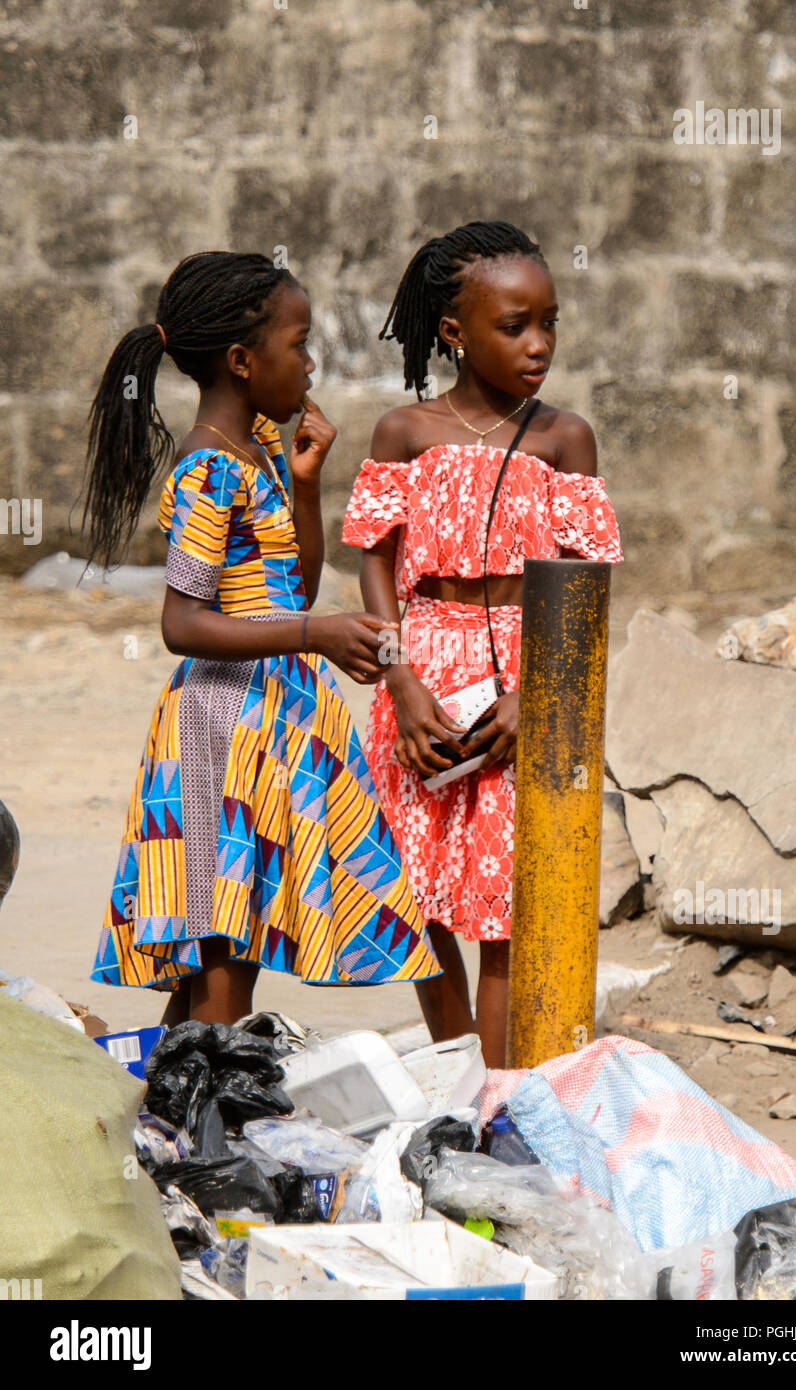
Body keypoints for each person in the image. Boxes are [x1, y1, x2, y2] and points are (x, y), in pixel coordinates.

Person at [82, 250, 440, 1025]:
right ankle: (195, 1130)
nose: (311, 366)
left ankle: (170, 1122)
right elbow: (182, 622)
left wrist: (307, 486)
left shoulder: (262, 453)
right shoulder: (207, 470)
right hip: (219, 731)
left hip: (269, 723)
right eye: (299, 344)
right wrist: (314, 635)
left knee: (230, 948)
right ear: (243, 361)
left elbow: (291, 587)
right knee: (218, 960)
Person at [342, 221, 623, 1066]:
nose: (538, 345)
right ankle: (458, 1076)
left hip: (523, 675)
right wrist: (401, 683)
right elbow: (376, 566)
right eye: (514, 326)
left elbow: (588, 584)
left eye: (549, 323)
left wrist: (532, 689)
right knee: (419, 892)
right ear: (454, 332)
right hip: (424, 668)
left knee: (504, 900)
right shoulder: (404, 432)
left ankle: (498, 1094)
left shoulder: (561, 438)